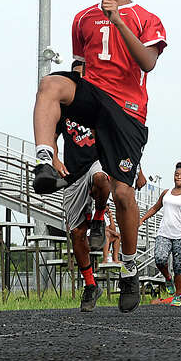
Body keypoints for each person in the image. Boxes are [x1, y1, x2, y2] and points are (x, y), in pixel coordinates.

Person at [30, 0, 167, 313]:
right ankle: (43, 159)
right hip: (93, 96)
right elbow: (78, 67)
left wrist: (119, 20)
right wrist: (58, 140)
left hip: (126, 110)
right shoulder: (83, 19)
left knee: (123, 194)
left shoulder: (145, 17)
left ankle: (129, 267)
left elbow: (148, 63)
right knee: (51, 85)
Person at [57, 116, 112, 312]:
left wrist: (137, 169)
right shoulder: (62, 109)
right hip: (72, 176)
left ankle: (98, 219)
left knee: (102, 179)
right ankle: (91, 285)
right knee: (77, 235)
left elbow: (120, 138)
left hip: (94, 164)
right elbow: (50, 137)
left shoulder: (96, 105)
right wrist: (54, 159)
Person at [138, 162, 181, 305]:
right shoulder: (166, 193)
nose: (179, 177)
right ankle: (167, 277)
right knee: (159, 258)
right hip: (164, 233)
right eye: (177, 174)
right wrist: (142, 219)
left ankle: (178, 296)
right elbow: (155, 208)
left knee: (179, 266)